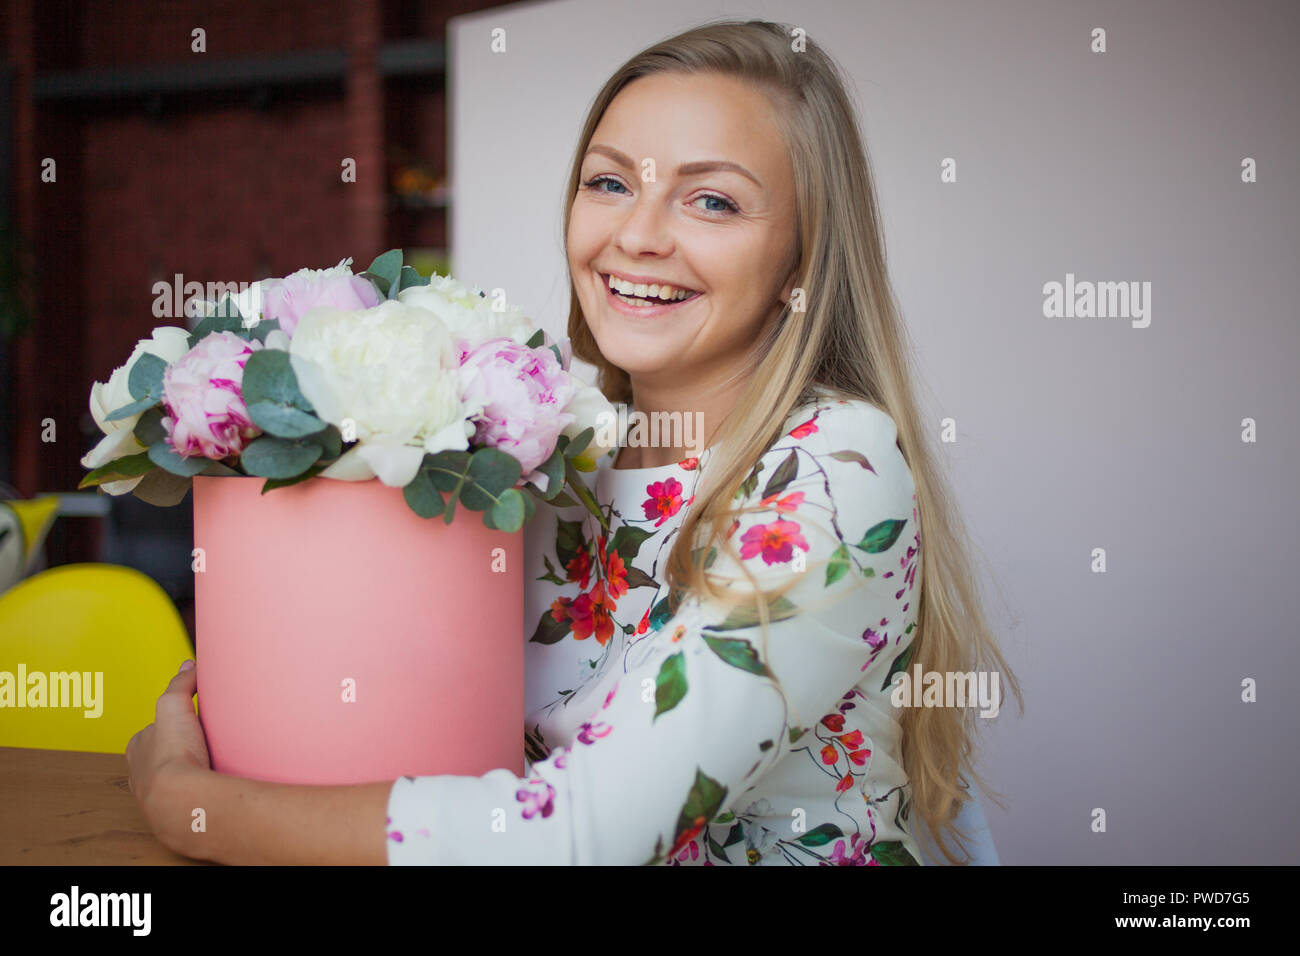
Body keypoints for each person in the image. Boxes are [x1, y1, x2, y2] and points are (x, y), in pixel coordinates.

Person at [127, 18, 1021, 865]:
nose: (636, 234)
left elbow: (575, 839)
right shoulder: (551, 458)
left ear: (801, 262)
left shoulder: (835, 464)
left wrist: (186, 803)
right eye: (610, 182)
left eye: (711, 200)